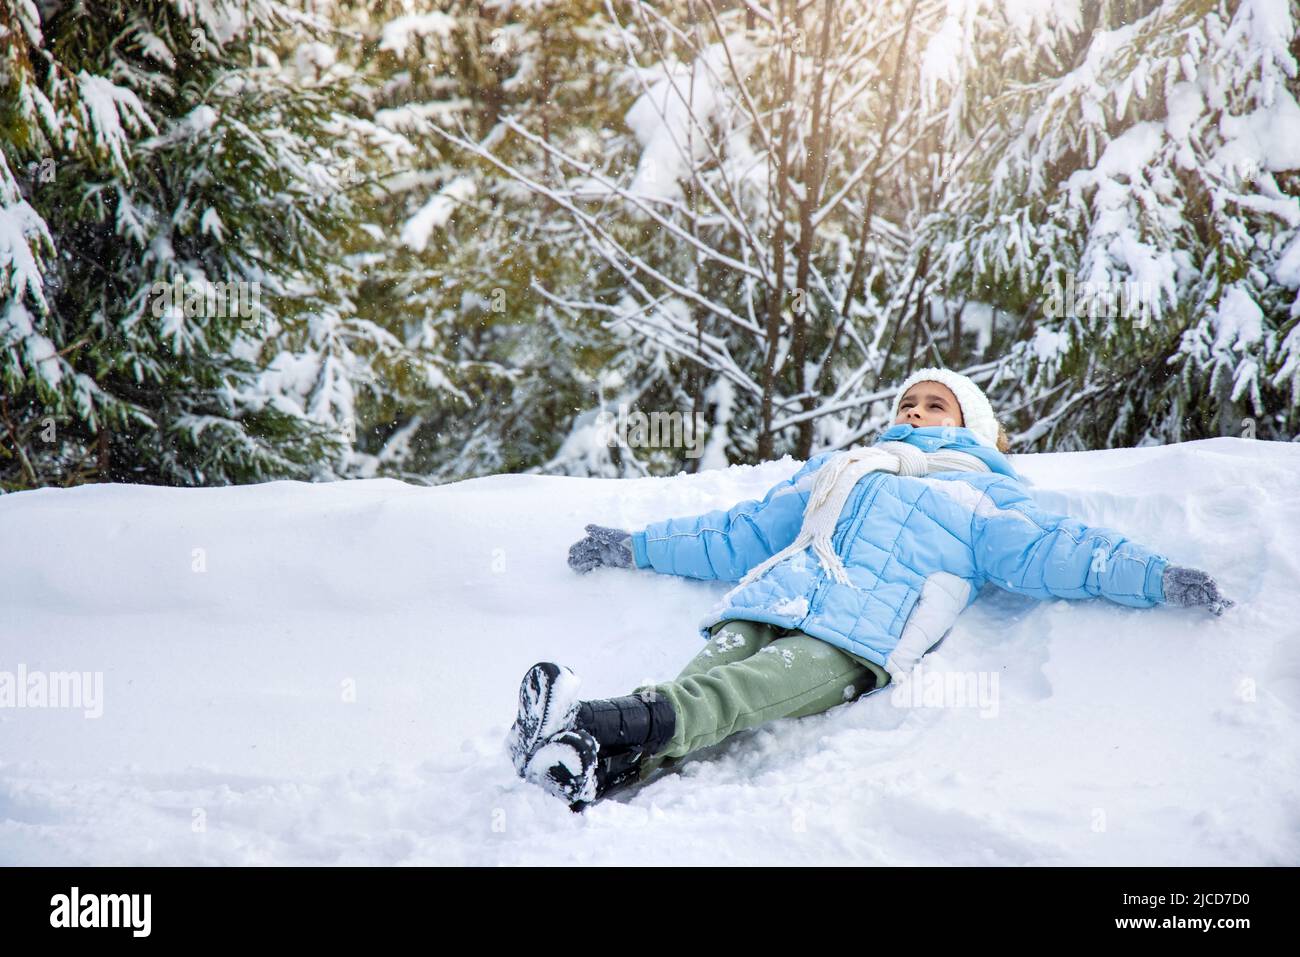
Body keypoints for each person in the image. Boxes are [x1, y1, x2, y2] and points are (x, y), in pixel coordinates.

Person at [506, 367, 1235, 810]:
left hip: (854, 640)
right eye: (907, 402)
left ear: (970, 426)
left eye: (933, 405)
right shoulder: (846, 470)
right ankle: (587, 769)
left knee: (734, 696)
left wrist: (1155, 576)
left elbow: (1062, 548)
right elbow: (738, 531)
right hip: (770, 601)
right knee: (701, 676)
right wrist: (634, 545)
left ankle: (594, 723)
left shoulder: (983, 498)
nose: (913, 412)